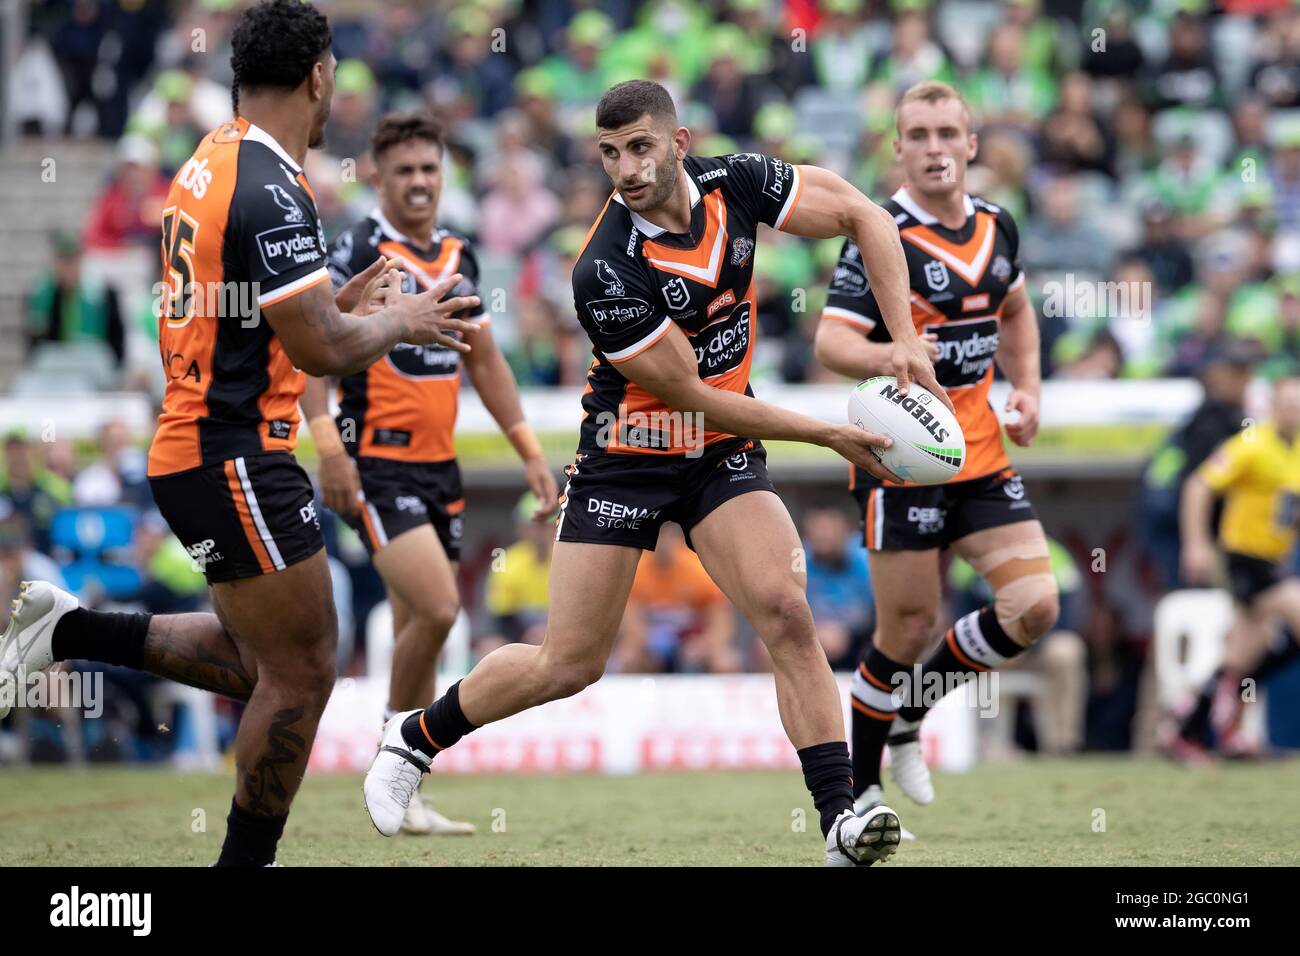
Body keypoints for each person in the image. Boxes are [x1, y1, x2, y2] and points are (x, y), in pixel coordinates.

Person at [364, 78, 950, 867]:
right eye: (609, 153)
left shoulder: (737, 182)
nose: (625, 168)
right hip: (628, 457)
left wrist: (905, 337)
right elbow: (695, 397)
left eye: (639, 147)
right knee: (567, 663)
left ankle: (840, 823)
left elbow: (865, 216)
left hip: (717, 457)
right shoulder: (603, 268)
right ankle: (414, 737)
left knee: (785, 609)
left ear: (677, 142)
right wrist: (825, 430)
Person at [0, 0, 479, 867]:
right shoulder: (270, 182)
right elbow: (318, 347)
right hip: (233, 453)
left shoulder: (214, 157)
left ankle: (68, 634)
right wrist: (401, 319)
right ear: (319, 75)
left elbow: (278, 319)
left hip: (200, 447)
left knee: (266, 663)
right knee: (305, 670)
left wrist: (339, 304)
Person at [303, 110, 557, 836]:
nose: (419, 182)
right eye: (405, 171)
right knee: (443, 609)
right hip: (375, 463)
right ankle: (393, 748)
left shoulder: (460, 256)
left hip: (438, 466)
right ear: (378, 177)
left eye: (429, 170)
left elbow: (483, 359)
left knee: (420, 617)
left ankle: (405, 789)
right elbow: (309, 347)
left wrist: (530, 450)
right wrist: (327, 444)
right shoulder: (357, 247)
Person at [813, 81, 1058, 822]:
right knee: (906, 631)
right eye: (917, 135)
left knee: (1035, 606)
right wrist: (899, 353)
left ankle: (915, 714)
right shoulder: (879, 231)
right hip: (903, 457)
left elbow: (1013, 308)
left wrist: (1029, 388)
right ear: (897, 148)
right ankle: (859, 798)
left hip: (982, 451)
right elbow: (831, 342)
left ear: (971, 144)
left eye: (947, 133)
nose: (934, 148)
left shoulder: (998, 224)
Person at [1173, 373, 1300, 759]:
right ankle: (1214, 715)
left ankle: (1187, 723)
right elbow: (1199, 486)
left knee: (1243, 655)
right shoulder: (1251, 444)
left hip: (1274, 560)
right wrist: (1196, 544)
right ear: (1273, 408)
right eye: (1288, 404)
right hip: (1243, 558)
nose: (1294, 412)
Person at [616, 524, 739, 674]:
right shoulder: (636, 571)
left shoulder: (697, 569)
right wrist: (648, 644)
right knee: (629, 658)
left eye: (667, 536)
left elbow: (721, 622)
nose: (662, 544)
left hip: (692, 640)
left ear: (676, 539)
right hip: (651, 641)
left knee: (725, 662)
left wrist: (705, 644)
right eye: (658, 537)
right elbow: (631, 625)